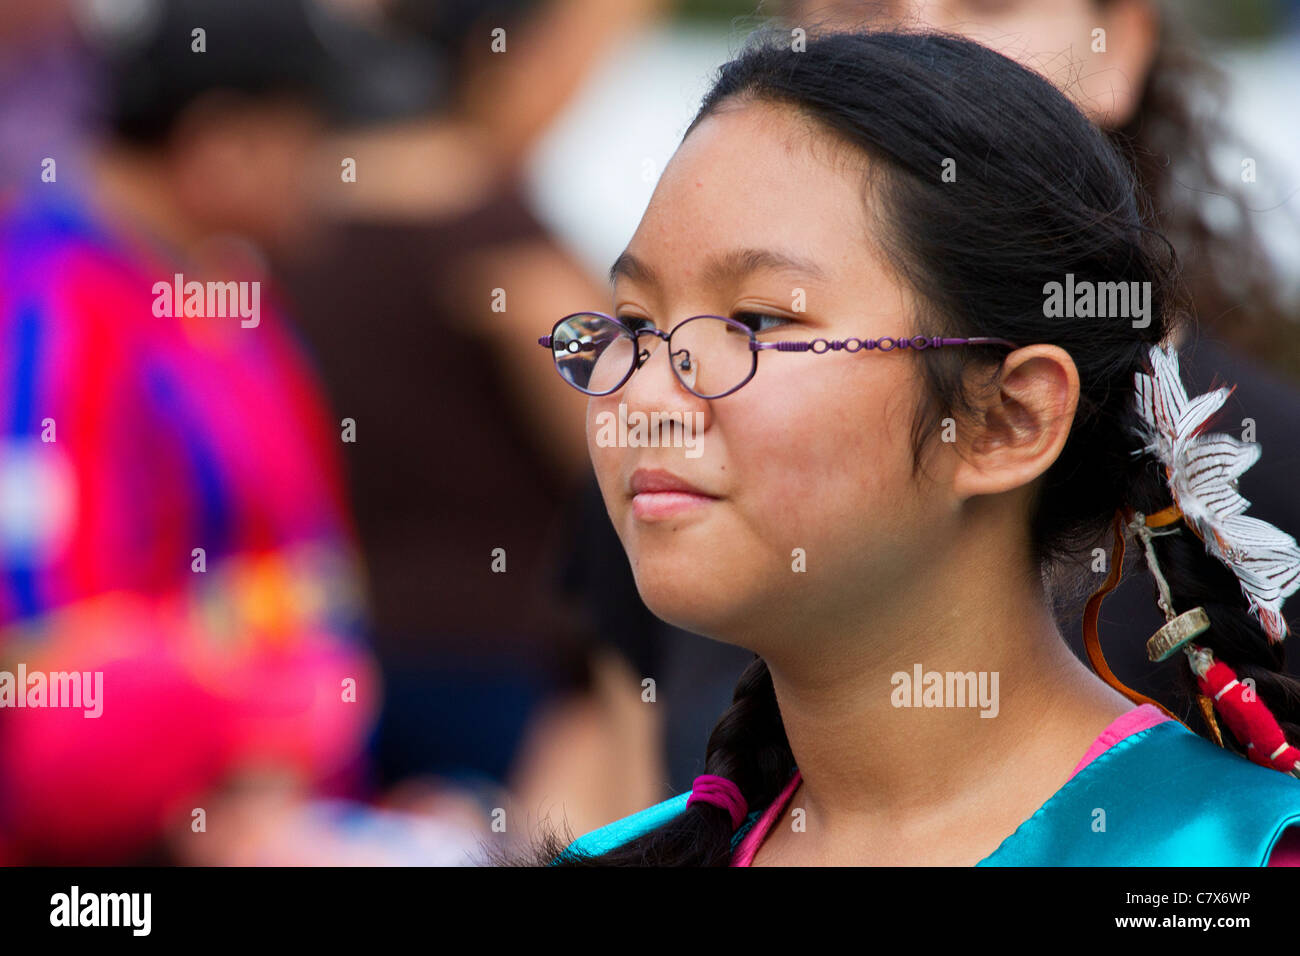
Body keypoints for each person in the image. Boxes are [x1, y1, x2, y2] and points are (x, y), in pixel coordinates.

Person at [500, 28, 1300, 866]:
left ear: (1008, 419)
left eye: (757, 322)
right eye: (633, 325)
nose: (644, 398)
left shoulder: (1226, 855)